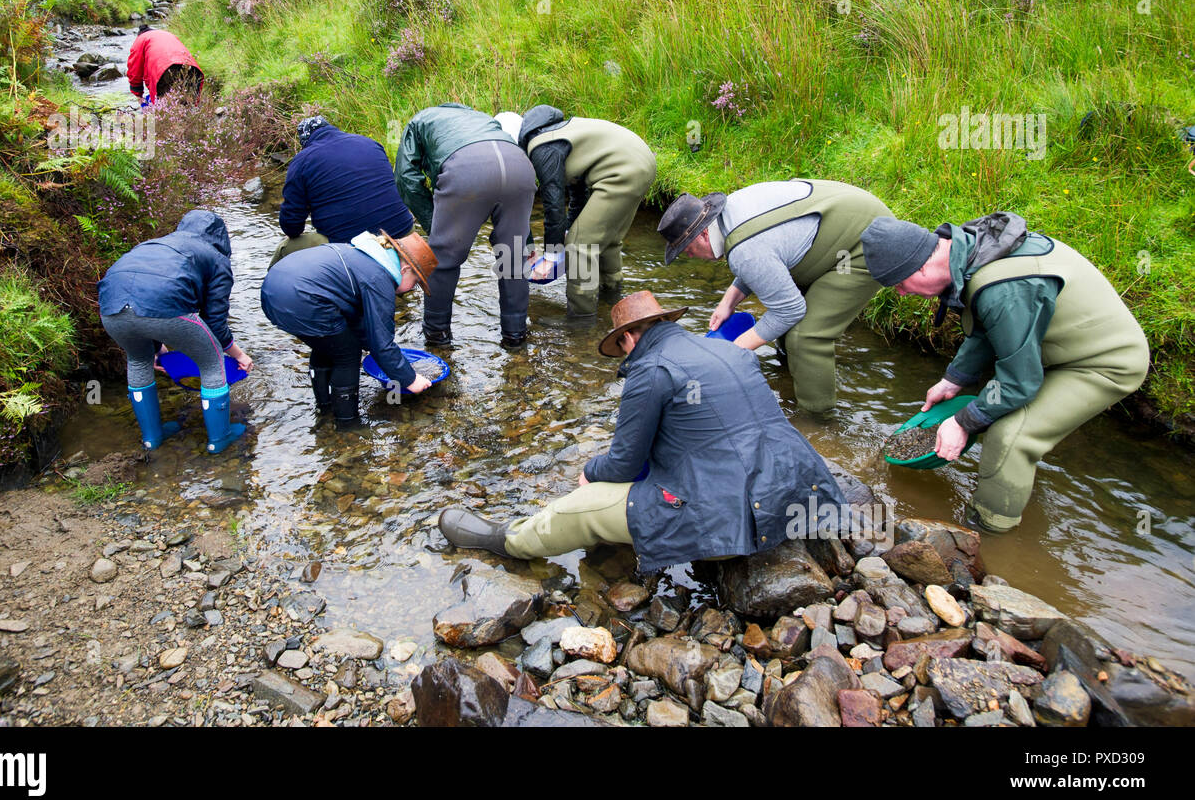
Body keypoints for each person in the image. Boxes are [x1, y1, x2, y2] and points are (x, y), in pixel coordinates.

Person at [439, 291, 847, 569]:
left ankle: (508, 541)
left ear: (630, 339)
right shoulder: (729, 349)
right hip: (797, 497)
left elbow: (621, 464)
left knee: (581, 508)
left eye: (621, 349)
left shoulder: (650, 369)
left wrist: (591, 472)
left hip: (733, 523)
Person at [860, 213, 1150, 532]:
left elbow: (1018, 382)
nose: (900, 293)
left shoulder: (1002, 287)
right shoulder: (972, 251)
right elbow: (989, 327)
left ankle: (991, 528)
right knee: (991, 403)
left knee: (1010, 435)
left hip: (1105, 362)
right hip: (1053, 351)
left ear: (923, 266)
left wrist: (961, 422)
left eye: (899, 283)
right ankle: (1014, 483)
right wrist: (954, 378)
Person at [658, 178, 891, 414]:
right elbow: (762, 256)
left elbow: (789, 309)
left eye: (687, 249)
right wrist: (728, 301)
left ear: (703, 235)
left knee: (805, 336)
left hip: (865, 241)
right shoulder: (728, 216)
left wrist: (733, 350)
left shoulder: (744, 251)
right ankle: (793, 380)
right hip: (844, 216)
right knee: (784, 329)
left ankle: (819, 420)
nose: (689, 256)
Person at [99, 210, 251, 454]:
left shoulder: (154, 244)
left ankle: (152, 437)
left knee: (138, 360)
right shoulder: (216, 257)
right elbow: (214, 321)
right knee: (212, 362)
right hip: (165, 310)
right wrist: (239, 355)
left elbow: (141, 298)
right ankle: (219, 439)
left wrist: (158, 348)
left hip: (111, 308)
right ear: (221, 238)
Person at [260, 229, 438, 429]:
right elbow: (382, 344)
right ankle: (348, 424)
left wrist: (378, 350)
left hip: (273, 288)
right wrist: (410, 379)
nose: (411, 290)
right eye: (415, 283)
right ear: (405, 269)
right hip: (301, 299)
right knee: (347, 354)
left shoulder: (364, 254)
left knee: (328, 343)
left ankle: (324, 406)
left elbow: (360, 325)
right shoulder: (379, 278)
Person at [393, 103, 535, 348]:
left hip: (467, 170)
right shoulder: (482, 118)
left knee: (443, 261)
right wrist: (527, 241)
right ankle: (515, 336)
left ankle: (437, 338)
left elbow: (405, 178)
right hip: (520, 166)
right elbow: (502, 171)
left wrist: (433, 224)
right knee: (512, 259)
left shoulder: (420, 120)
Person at [510, 105, 658, 319]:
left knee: (579, 247)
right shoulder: (559, 134)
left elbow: (554, 205)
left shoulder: (540, 148)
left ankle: (582, 322)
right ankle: (613, 301)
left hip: (622, 171)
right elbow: (578, 193)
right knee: (607, 240)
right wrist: (570, 228)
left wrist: (552, 255)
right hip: (641, 162)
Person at [270, 116, 416, 266]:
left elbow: (292, 227)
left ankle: (273, 286)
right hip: (403, 232)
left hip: (352, 248)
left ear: (305, 141)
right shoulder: (370, 143)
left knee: (285, 248)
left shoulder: (302, 161)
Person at [127, 27, 203, 106]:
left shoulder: (141, 39)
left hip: (164, 69)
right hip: (191, 67)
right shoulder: (168, 34)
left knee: (165, 104)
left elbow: (134, 69)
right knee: (187, 103)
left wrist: (138, 93)